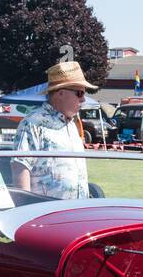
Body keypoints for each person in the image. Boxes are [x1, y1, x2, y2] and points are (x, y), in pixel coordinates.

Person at [11, 60, 94, 200]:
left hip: (77, 213)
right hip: (46, 215)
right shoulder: (32, 123)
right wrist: (24, 208)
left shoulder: (72, 124)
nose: (83, 99)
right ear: (61, 93)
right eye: (79, 93)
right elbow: (20, 167)